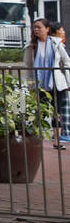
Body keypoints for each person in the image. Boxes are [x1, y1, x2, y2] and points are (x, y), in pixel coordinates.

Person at [24, 18, 70, 149]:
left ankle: (57, 142)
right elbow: (27, 67)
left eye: (39, 27)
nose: (36, 30)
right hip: (40, 85)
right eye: (34, 27)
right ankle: (37, 140)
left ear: (47, 29)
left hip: (56, 83)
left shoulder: (56, 43)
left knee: (57, 112)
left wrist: (68, 80)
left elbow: (67, 62)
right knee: (40, 112)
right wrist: (30, 84)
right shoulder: (31, 46)